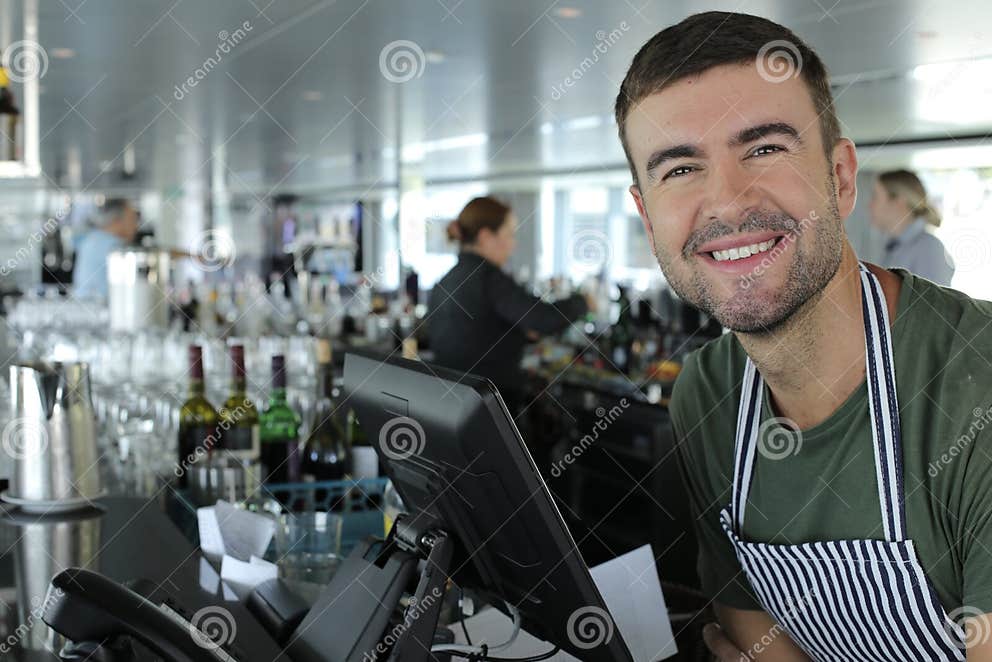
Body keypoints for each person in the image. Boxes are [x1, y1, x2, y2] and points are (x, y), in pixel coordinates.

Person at [616, 11, 992, 661]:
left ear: (841, 178)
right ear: (648, 216)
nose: (728, 202)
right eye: (680, 169)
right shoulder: (706, 395)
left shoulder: (974, 381)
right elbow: (758, 638)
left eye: (764, 148)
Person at [427, 196, 588, 414]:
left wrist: (518, 334)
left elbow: (474, 334)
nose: (513, 244)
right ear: (485, 237)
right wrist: (583, 302)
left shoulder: (444, 282)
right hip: (492, 407)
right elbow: (545, 319)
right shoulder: (489, 278)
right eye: (509, 234)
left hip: (451, 406)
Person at [869, 168, 955, 285]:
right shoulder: (892, 247)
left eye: (875, 197)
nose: (869, 205)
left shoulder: (929, 247)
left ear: (898, 202)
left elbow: (934, 302)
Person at [71, 198, 138, 298]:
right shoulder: (115, 246)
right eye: (132, 219)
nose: (136, 225)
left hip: (83, 304)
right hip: (102, 309)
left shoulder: (91, 238)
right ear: (117, 220)